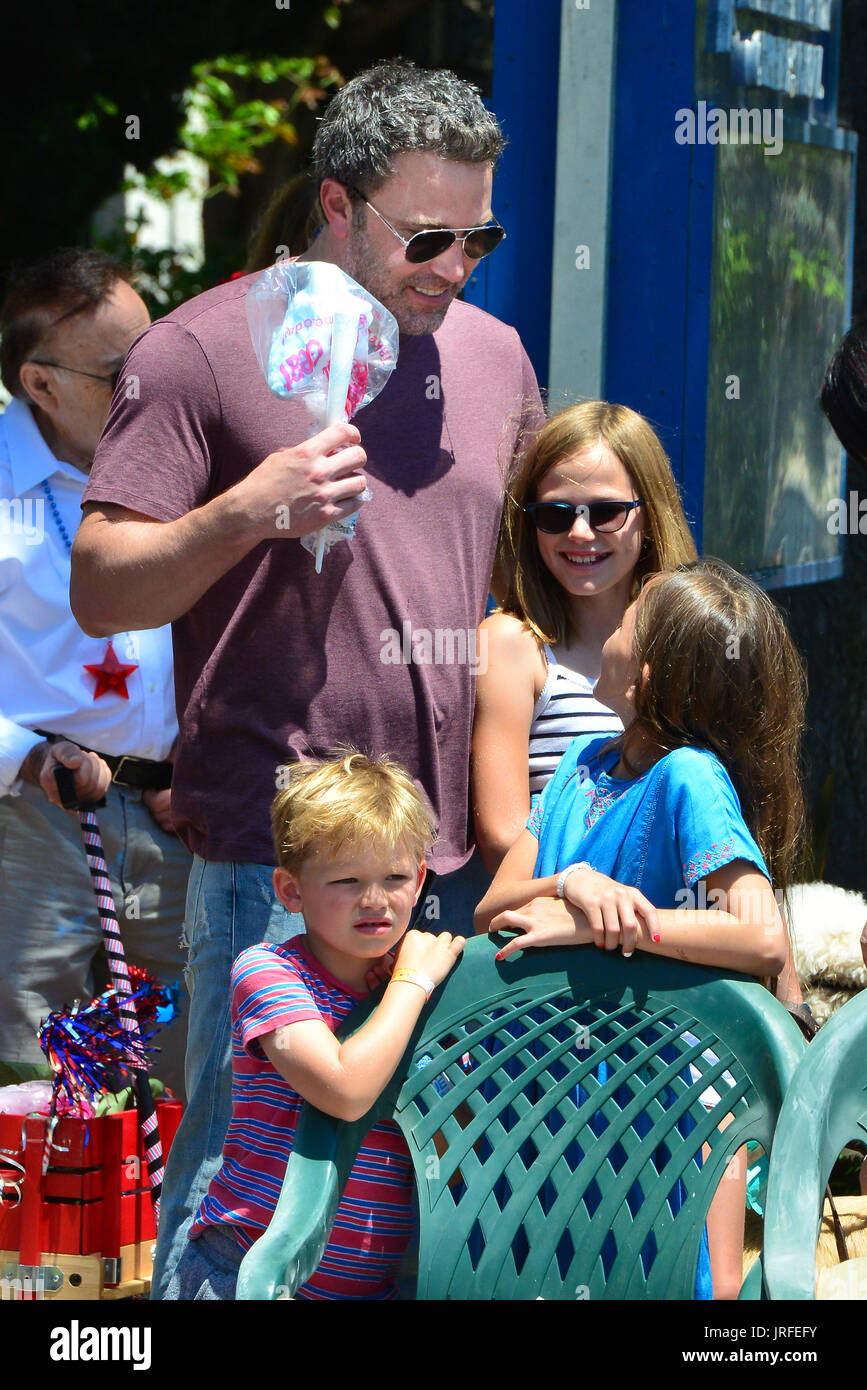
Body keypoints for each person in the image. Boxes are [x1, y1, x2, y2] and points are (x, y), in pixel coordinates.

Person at [69, 60, 543, 1294]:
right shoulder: (200, 351)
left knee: (414, 1203)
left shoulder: (493, 358)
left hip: (443, 872)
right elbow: (103, 586)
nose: (456, 264)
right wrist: (242, 513)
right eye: (426, 236)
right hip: (271, 870)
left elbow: (532, 579)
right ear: (335, 205)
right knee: (244, 1200)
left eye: (479, 234)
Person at [474, 559, 806, 1298]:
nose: (608, 625)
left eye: (627, 621)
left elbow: (760, 938)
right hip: (541, 1098)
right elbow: (491, 910)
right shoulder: (575, 766)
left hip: (644, 1109)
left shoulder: (687, 775)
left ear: (648, 675)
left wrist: (617, 925)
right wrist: (571, 884)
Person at [164, 749, 464, 1300]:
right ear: (291, 890)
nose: (375, 899)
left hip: (370, 1288)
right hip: (246, 1273)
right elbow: (343, 1090)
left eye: (395, 876)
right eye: (347, 880)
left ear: (420, 881)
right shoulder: (268, 971)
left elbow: (456, 1144)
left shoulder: (421, 996)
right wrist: (412, 986)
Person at [0, 249, 191, 1098]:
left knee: (198, 1081)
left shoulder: (191, 457)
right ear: (39, 384)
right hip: (33, 817)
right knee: (30, 1093)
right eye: (122, 371)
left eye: (157, 355)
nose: (150, 386)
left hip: (178, 816)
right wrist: (30, 757)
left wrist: (207, 762)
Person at [472, 401, 696, 877]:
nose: (579, 532)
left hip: (670, 932)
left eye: (606, 512)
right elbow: (502, 837)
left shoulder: (687, 643)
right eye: (554, 514)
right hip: (563, 930)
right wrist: (598, 894)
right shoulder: (512, 644)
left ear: (650, 514)